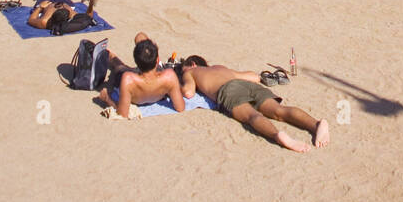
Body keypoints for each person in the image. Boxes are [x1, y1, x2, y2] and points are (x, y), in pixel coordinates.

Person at [178, 55, 329, 152]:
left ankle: (278, 135)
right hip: (245, 84)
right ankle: (316, 124)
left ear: (192, 64)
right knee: (279, 111)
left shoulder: (190, 72)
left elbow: (188, 92)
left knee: (252, 116)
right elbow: (254, 77)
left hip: (228, 91)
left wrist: (182, 83)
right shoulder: (219, 67)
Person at [98, 33, 185, 117]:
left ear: (136, 62)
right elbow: (180, 108)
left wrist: (107, 98)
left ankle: (109, 54)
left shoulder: (128, 79)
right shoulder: (169, 76)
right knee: (140, 36)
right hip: (158, 84)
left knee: (117, 65)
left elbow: (122, 114)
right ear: (157, 60)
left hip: (137, 82)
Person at [26, 0, 98, 34]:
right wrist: (91, 4)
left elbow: (31, 20)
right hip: (66, 2)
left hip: (47, 2)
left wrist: (40, 7)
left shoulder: (44, 21)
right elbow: (88, 17)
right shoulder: (71, 13)